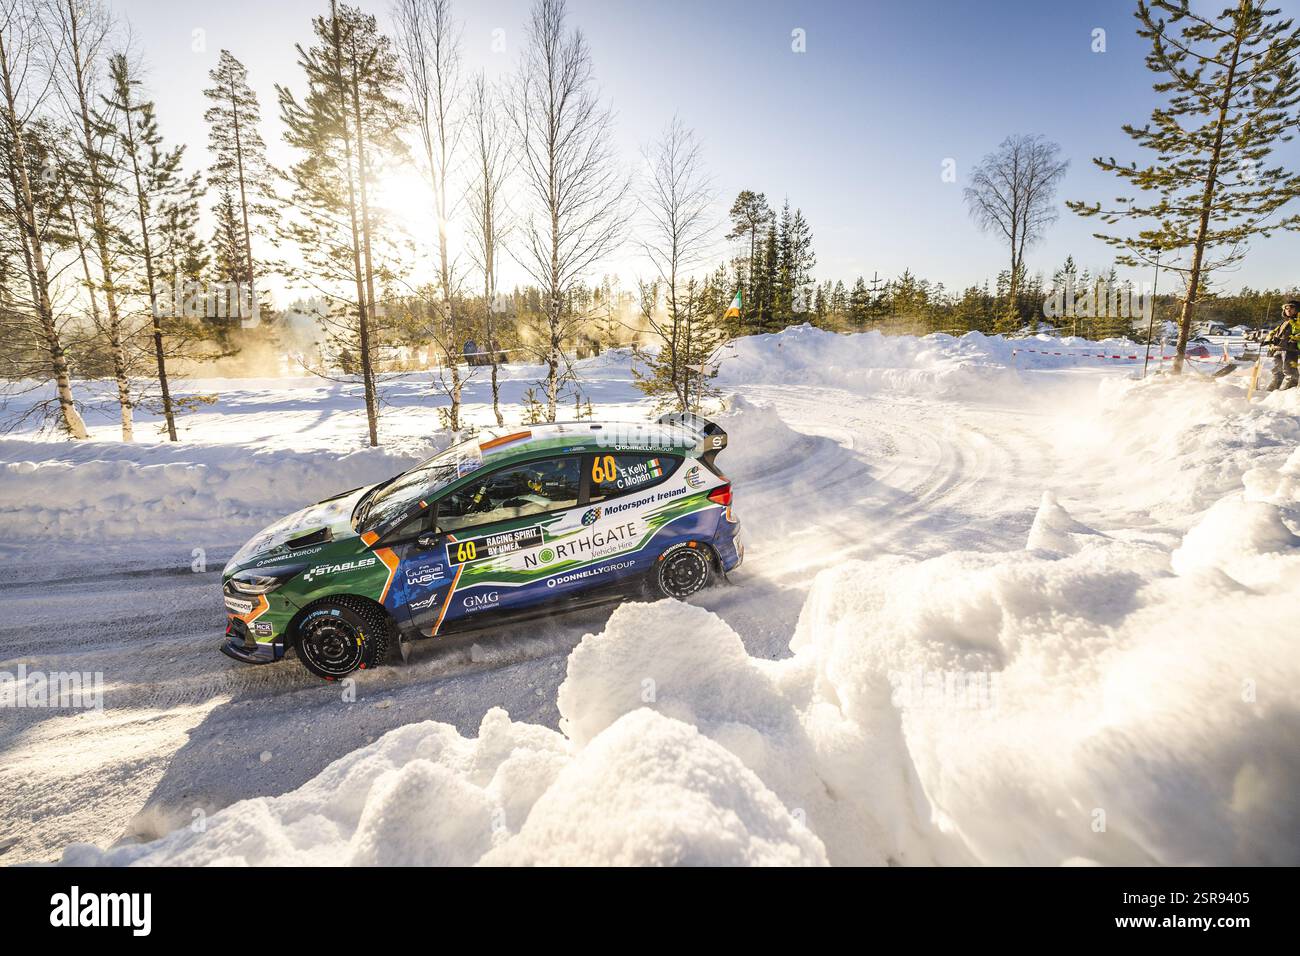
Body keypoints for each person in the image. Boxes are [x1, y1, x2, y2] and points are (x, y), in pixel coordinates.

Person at [1266, 300, 1300, 391]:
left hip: (1291, 350)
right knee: (1277, 371)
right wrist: (1268, 340)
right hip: (1279, 348)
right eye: (1286, 308)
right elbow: (1274, 333)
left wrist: (1295, 338)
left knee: (1290, 371)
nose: (1288, 310)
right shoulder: (1285, 322)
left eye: (1291, 308)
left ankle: (1289, 392)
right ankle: (1271, 391)